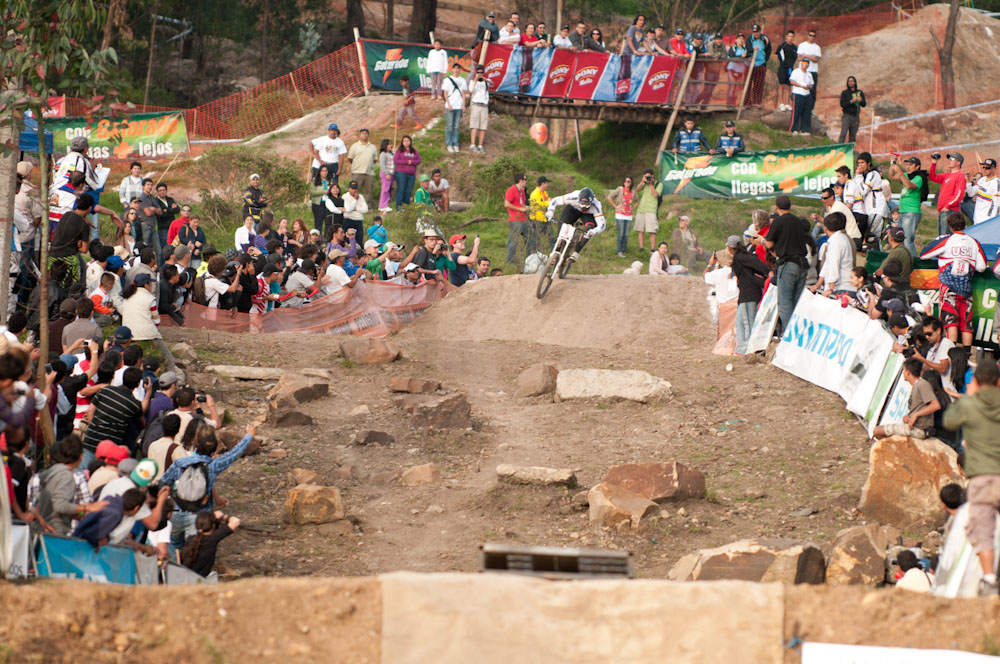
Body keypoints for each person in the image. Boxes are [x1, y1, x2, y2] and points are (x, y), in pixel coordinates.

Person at [942, 360, 1000, 596]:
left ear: (975, 381)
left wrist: (968, 397)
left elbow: (948, 421)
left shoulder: (970, 404)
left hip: (982, 478)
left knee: (983, 530)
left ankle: (988, 581)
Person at [161, 421, 257, 554]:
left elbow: (164, 482)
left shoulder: (180, 463)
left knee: (173, 546)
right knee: (193, 550)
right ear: (213, 452)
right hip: (199, 516)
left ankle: (172, 569)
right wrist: (248, 436)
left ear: (196, 446)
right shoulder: (214, 465)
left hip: (176, 512)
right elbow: (234, 454)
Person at [921, 213, 988, 349]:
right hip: (966, 287)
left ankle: (951, 351)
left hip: (948, 286)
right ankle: (967, 354)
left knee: (950, 320)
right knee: (966, 322)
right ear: (964, 225)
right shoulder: (974, 242)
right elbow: (982, 267)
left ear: (950, 226)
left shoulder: (947, 240)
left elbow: (923, 254)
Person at [37, 435, 108, 536]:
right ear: (80, 457)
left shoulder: (53, 470)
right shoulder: (66, 475)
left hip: (45, 528)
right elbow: (60, 506)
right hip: (56, 531)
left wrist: (77, 513)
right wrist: (87, 507)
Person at [764, 195, 808, 332]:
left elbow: (769, 242)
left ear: (777, 207)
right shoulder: (798, 221)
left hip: (788, 264)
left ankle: (790, 336)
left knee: (785, 303)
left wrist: (763, 243)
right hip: (803, 264)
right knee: (796, 303)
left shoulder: (778, 221)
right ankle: (798, 335)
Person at [873, 358, 940, 440]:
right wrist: (909, 417)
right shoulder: (917, 385)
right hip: (915, 425)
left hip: (919, 429)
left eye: (904, 371)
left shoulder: (922, 385)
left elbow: (936, 405)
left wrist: (916, 415)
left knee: (877, 431)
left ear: (908, 372)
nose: (903, 373)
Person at [728, 236, 771, 354]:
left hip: (749, 293)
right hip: (748, 293)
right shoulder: (742, 257)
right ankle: (742, 347)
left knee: (748, 322)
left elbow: (756, 263)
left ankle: (749, 348)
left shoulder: (740, 258)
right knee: (740, 322)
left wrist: (767, 271)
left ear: (730, 248)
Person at [545, 187, 607, 265]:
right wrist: (550, 211)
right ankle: (557, 251)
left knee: (590, 227)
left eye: (587, 204)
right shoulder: (573, 196)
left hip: (587, 214)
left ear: (591, 201)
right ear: (578, 199)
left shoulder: (596, 205)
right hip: (573, 210)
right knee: (563, 226)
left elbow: (602, 224)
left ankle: (576, 252)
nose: (584, 206)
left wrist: (594, 231)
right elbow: (555, 200)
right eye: (582, 203)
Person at [888, 156, 928, 256]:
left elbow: (909, 185)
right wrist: (892, 165)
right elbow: (891, 176)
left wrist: (900, 171)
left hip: (911, 211)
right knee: (899, 239)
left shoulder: (919, 178)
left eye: (910, 165)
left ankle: (912, 263)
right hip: (903, 211)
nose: (908, 167)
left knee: (907, 240)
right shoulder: (905, 175)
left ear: (917, 166)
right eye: (906, 165)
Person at [811, 213, 854, 297]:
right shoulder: (840, 238)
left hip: (840, 287)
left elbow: (834, 266)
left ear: (825, 228)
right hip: (840, 286)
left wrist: (831, 289)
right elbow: (827, 264)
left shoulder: (836, 242)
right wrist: (818, 284)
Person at [929, 152, 968, 235]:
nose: (949, 161)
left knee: (945, 238)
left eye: (952, 159)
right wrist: (934, 163)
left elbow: (959, 194)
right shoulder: (947, 175)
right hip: (944, 210)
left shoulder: (960, 175)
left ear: (958, 162)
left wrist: (947, 206)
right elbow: (932, 177)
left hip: (950, 210)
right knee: (942, 237)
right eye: (949, 159)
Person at [504, 173, 532, 265]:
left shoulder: (522, 191)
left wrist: (527, 208)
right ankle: (510, 261)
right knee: (513, 241)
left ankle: (530, 259)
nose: (526, 182)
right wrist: (520, 209)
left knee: (530, 239)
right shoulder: (511, 190)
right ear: (520, 180)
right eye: (525, 180)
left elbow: (521, 203)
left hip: (524, 218)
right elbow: (507, 204)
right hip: (515, 219)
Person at [634, 168, 662, 253]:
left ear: (653, 175)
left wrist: (650, 184)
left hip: (651, 210)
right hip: (642, 208)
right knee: (640, 229)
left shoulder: (658, 184)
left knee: (652, 230)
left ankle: (652, 249)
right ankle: (641, 248)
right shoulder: (644, 183)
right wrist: (643, 181)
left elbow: (655, 194)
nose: (648, 177)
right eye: (646, 176)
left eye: (649, 176)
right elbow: (637, 190)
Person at [442, 62, 468, 153]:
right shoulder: (447, 80)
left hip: (459, 106)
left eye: (458, 68)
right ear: (452, 69)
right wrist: (448, 104)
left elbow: (464, 94)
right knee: (449, 126)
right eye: (455, 68)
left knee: (456, 126)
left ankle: (455, 143)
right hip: (450, 105)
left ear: (460, 70)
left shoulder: (463, 80)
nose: (456, 70)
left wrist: (463, 105)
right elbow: (445, 93)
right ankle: (449, 144)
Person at [347, 128, 378, 202]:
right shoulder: (355, 146)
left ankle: (367, 207)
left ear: (368, 135)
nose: (364, 135)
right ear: (359, 135)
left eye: (366, 133)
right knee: (354, 190)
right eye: (362, 133)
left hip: (369, 172)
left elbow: (375, 159)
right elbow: (350, 158)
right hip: (357, 172)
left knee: (368, 191)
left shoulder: (372, 147)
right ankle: (353, 206)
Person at [607, 176, 635, 258]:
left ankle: (624, 250)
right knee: (621, 233)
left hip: (629, 215)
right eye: (625, 181)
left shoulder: (633, 192)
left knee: (626, 234)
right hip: (620, 214)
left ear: (631, 183)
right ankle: (619, 251)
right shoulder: (620, 189)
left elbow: (637, 201)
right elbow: (609, 196)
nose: (627, 183)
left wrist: (632, 207)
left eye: (628, 181)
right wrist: (615, 206)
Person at [970, 157, 1000, 225]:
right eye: (983, 167)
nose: (984, 169)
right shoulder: (982, 180)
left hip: (986, 221)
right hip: (977, 219)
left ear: (994, 169)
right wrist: (968, 182)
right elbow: (971, 193)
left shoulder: (996, 183)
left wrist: (991, 222)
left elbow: (996, 205)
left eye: (987, 168)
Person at [393, 136, 420, 208]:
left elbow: (418, 161)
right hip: (401, 173)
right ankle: (399, 207)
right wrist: (406, 161)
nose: (406, 142)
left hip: (411, 174)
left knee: (408, 191)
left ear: (410, 142)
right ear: (402, 142)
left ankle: (406, 207)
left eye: (408, 140)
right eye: (404, 141)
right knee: (401, 189)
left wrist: (412, 162)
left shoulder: (414, 151)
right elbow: (396, 160)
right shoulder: (399, 151)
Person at [747, 24, 771, 104]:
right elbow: (748, 48)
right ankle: (747, 102)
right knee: (748, 84)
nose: (756, 34)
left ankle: (757, 102)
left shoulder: (765, 38)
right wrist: (753, 50)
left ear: (760, 32)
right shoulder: (749, 38)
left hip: (761, 63)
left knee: (759, 84)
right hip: (751, 64)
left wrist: (765, 59)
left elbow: (769, 49)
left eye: (757, 32)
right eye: (754, 32)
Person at [789, 58, 814, 135]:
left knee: (807, 112)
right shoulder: (796, 72)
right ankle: (794, 129)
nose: (805, 65)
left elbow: (812, 84)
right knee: (796, 111)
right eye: (804, 63)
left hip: (807, 93)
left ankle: (805, 129)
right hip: (798, 93)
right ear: (801, 63)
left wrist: (808, 86)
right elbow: (792, 81)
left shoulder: (809, 74)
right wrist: (801, 86)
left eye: (807, 63)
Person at [469, 64, 490, 154]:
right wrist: (475, 81)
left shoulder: (486, 81)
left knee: (483, 127)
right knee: (474, 125)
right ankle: (473, 144)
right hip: (476, 105)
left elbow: (492, 84)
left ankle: (480, 145)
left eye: (481, 72)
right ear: (476, 73)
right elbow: (470, 90)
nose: (480, 74)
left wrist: (485, 80)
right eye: (478, 72)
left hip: (484, 105)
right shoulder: (473, 81)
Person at [838, 77, 866, 143]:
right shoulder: (845, 93)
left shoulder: (859, 92)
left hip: (856, 116)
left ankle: (851, 150)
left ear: (855, 82)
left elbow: (864, 104)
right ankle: (839, 149)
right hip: (847, 116)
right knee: (843, 133)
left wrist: (861, 100)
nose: (851, 82)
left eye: (852, 81)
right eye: (849, 81)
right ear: (847, 83)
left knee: (853, 136)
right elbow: (842, 104)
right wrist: (851, 101)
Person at [529, 176, 554, 251]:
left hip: (546, 218)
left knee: (552, 236)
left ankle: (554, 251)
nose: (548, 185)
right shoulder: (535, 193)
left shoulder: (544, 193)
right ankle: (535, 253)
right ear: (542, 183)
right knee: (537, 238)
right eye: (547, 183)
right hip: (537, 219)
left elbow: (545, 202)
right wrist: (549, 202)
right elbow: (539, 205)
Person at [775, 30, 798, 112]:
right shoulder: (782, 46)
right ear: (786, 36)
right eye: (789, 36)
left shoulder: (795, 47)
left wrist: (791, 65)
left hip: (790, 68)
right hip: (782, 68)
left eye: (792, 36)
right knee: (781, 85)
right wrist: (784, 64)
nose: (790, 38)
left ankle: (787, 103)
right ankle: (781, 103)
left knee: (789, 86)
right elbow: (779, 56)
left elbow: (795, 58)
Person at [153, 183, 180, 250]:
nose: (162, 192)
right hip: (163, 228)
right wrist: (171, 210)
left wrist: (167, 210)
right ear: (157, 192)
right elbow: (161, 214)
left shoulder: (170, 199)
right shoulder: (156, 201)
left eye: (164, 190)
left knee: (174, 245)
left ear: (166, 190)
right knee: (164, 246)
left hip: (172, 227)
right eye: (160, 190)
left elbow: (177, 210)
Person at [796, 28, 821, 100]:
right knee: (802, 89)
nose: (812, 37)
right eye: (810, 35)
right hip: (803, 70)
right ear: (808, 36)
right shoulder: (802, 45)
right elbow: (799, 58)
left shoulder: (817, 47)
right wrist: (811, 56)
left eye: (813, 36)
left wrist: (806, 55)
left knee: (812, 91)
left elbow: (816, 59)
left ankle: (811, 109)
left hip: (813, 71)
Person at [726, 33, 749, 106]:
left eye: (742, 39)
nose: (741, 40)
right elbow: (731, 56)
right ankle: (728, 104)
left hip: (740, 70)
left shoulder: (745, 49)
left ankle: (733, 104)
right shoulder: (733, 48)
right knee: (732, 86)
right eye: (739, 38)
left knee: (736, 88)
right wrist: (741, 57)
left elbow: (747, 57)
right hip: (732, 69)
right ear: (736, 40)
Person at [309, 164, 332, 234]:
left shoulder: (330, 181)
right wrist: (323, 192)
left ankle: (326, 239)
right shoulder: (314, 181)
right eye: (323, 171)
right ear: (319, 172)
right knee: (318, 223)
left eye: (326, 171)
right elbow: (312, 192)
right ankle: (318, 238)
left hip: (327, 204)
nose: (325, 172)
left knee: (328, 222)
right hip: (318, 204)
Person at [376, 139, 395, 213]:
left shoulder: (391, 153)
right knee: (385, 190)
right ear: (385, 145)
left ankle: (386, 204)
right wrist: (386, 173)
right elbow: (382, 165)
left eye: (391, 144)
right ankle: (382, 205)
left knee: (389, 189)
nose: (391, 145)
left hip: (391, 174)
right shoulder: (383, 154)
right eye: (389, 144)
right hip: (386, 174)